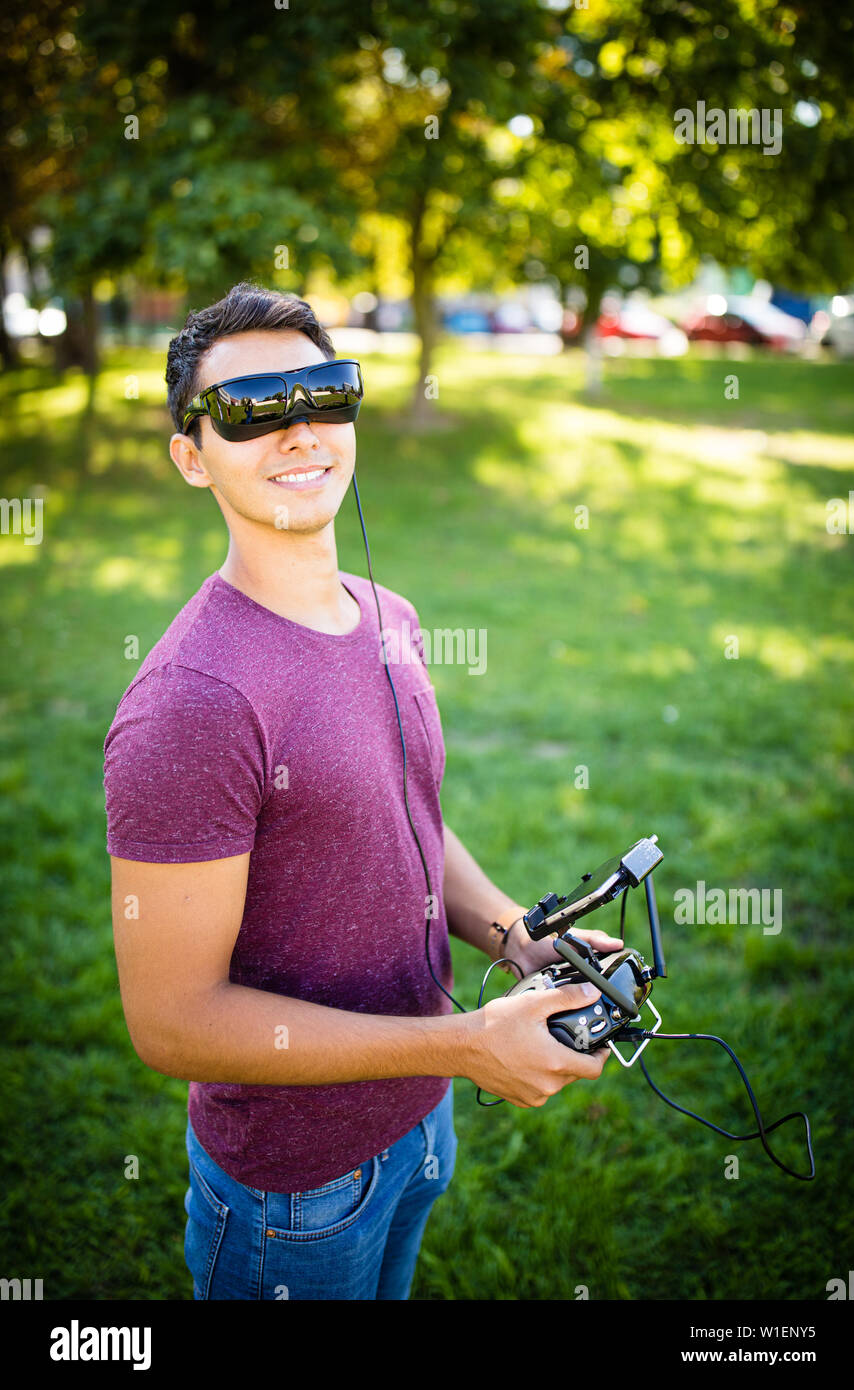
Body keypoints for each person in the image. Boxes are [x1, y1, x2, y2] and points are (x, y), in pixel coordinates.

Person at [103, 280, 621, 1301]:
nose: (298, 431)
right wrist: (467, 1044)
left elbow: (403, 811)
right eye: (252, 410)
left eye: (321, 393)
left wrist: (515, 936)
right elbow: (170, 1020)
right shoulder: (192, 703)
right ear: (190, 456)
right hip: (293, 1192)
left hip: (419, 1120)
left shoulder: (386, 612)